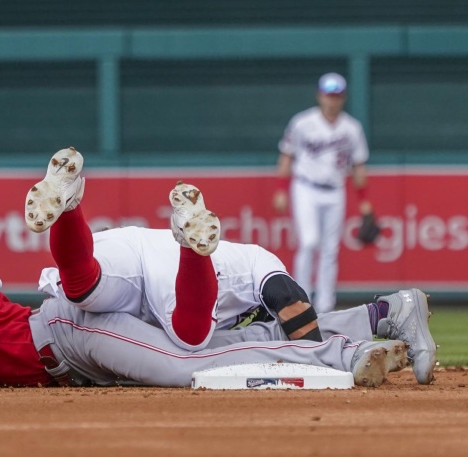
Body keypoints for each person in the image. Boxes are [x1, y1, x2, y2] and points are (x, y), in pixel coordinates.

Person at [0, 195, 408, 391]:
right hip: (67, 361)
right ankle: (368, 321)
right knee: (206, 348)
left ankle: (343, 355)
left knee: (188, 367)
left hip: (63, 335)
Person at [25, 147, 436, 384]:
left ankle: (70, 206)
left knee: (81, 286)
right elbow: (290, 303)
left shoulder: (249, 262)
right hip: (174, 270)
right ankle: (191, 245)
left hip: (125, 245)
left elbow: (277, 325)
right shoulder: (258, 260)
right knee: (193, 340)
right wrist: (315, 359)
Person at [272, 72, 373, 315]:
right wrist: (280, 189)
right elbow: (287, 155)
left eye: (337, 95)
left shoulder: (352, 127)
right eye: (329, 95)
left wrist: (364, 200)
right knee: (309, 242)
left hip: (335, 190)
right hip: (306, 187)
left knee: (330, 249)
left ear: (343, 98)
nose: (332, 100)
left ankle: (326, 305)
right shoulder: (302, 122)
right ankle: (300, 300)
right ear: (320, 96)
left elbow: (358, 166)